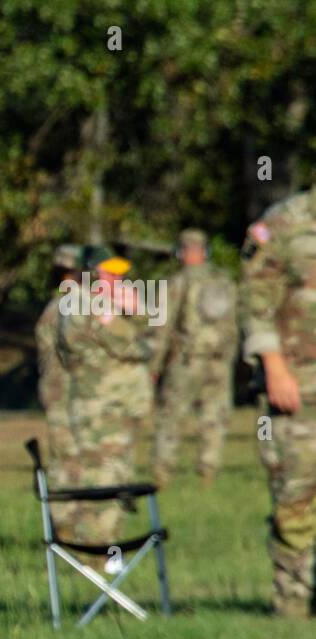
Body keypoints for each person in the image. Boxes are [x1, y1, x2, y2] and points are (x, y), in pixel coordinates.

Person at [240, 191, 316, 618]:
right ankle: (292, 601)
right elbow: (255, 299)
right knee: (296, 494)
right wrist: (273, 365)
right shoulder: (285, 223)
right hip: (298, 386)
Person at [57, 246, 153, 559]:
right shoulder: (80, 301)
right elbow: (129, 345)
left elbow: (153, 336)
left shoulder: (112, 302)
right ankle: (93, 553)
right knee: (102, 480)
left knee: (120, 479)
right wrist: (128, 315)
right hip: (98, 410)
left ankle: (109, 549)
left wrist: (133, 311)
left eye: (119, 273)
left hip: (120, 408)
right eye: (110, 273)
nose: (118, 278)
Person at [151, 229, 239, 488]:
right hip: (219, 361)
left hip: (186, 362)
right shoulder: (225, 281)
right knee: (215, 419)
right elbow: (235, 324)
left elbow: (161, 326)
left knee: (171, 418)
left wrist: (154, 365)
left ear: (181, 252)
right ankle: (208, 472)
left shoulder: (175, 283)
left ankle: (162, 474)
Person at [36, 243, 83, 535]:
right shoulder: (81, 308)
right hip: (73, 395)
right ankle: (72, 531)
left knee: (65, 464)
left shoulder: (53, 310)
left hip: (60, 395)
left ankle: (67, 529)